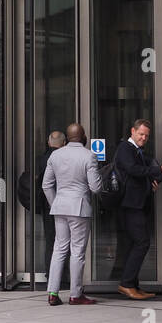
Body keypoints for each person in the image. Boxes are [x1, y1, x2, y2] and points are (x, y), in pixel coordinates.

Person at [114, 119, 162, 300]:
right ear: (132, 131)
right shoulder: (126, 148)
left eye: (146, 136)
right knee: (142, 242)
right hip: (130, 205)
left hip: (135, 204)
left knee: (135, 243)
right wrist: (157, 170)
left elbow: (137, 175)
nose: (143, 138)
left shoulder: (137, 150)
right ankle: (126, 284)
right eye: (141, 134)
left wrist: (151, 182)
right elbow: (133, 170)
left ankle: (133, 284)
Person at [42, 124, 102, 305]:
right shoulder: (89, 155)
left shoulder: (55, 155)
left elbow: (46, 185)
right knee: (77, 252)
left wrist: (56, 203)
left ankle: (52, 292)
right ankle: (75, 295)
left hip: (60, 207)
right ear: (83, 136)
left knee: (59, 249)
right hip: (79, 209)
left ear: (67, 138)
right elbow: (96, 187)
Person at [18, 129, 65, 279]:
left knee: (51, 240)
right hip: (65, 203)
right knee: (66, 240)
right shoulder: (64, 158)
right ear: (64, 144)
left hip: (47, 204)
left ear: (48, 142)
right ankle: (65, 274)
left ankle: (51, 274)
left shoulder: (39, 160)